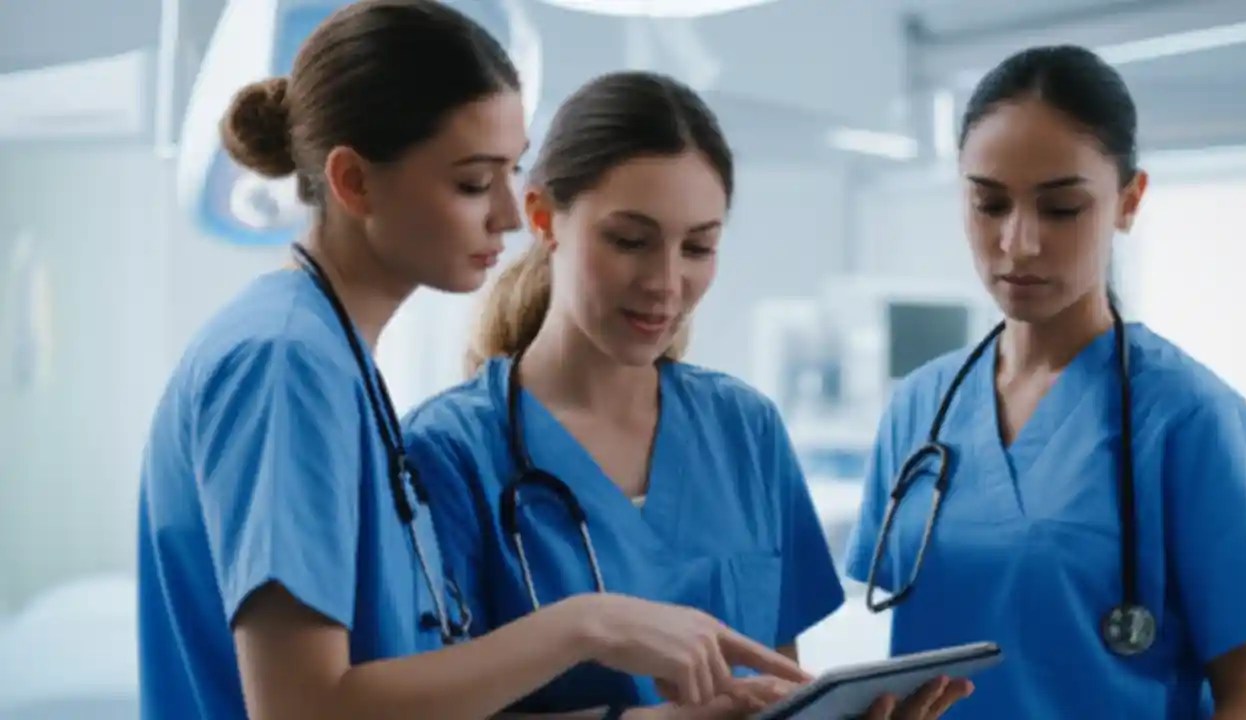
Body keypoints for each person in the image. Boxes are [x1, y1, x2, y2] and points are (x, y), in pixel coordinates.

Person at [135, 4, 815, 720]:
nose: (510, 217)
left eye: (510, 173)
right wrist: (586, 624)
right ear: (354, 182)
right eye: (471, 183)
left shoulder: (337, 365)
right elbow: (305, 709)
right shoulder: (283, 364)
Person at [401, 70, 973, 720]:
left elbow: (779, 682)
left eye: (698, 246)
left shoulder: (744, 429)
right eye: (630, 241)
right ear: (541, 218)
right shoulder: (446, 453)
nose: (665, 282)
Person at [844, 44, 1246, 719]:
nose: (1018, 243)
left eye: (1061, 209)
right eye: (989, 204)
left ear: (1129, 201)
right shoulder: (920, 409)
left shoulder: (1190, 418)